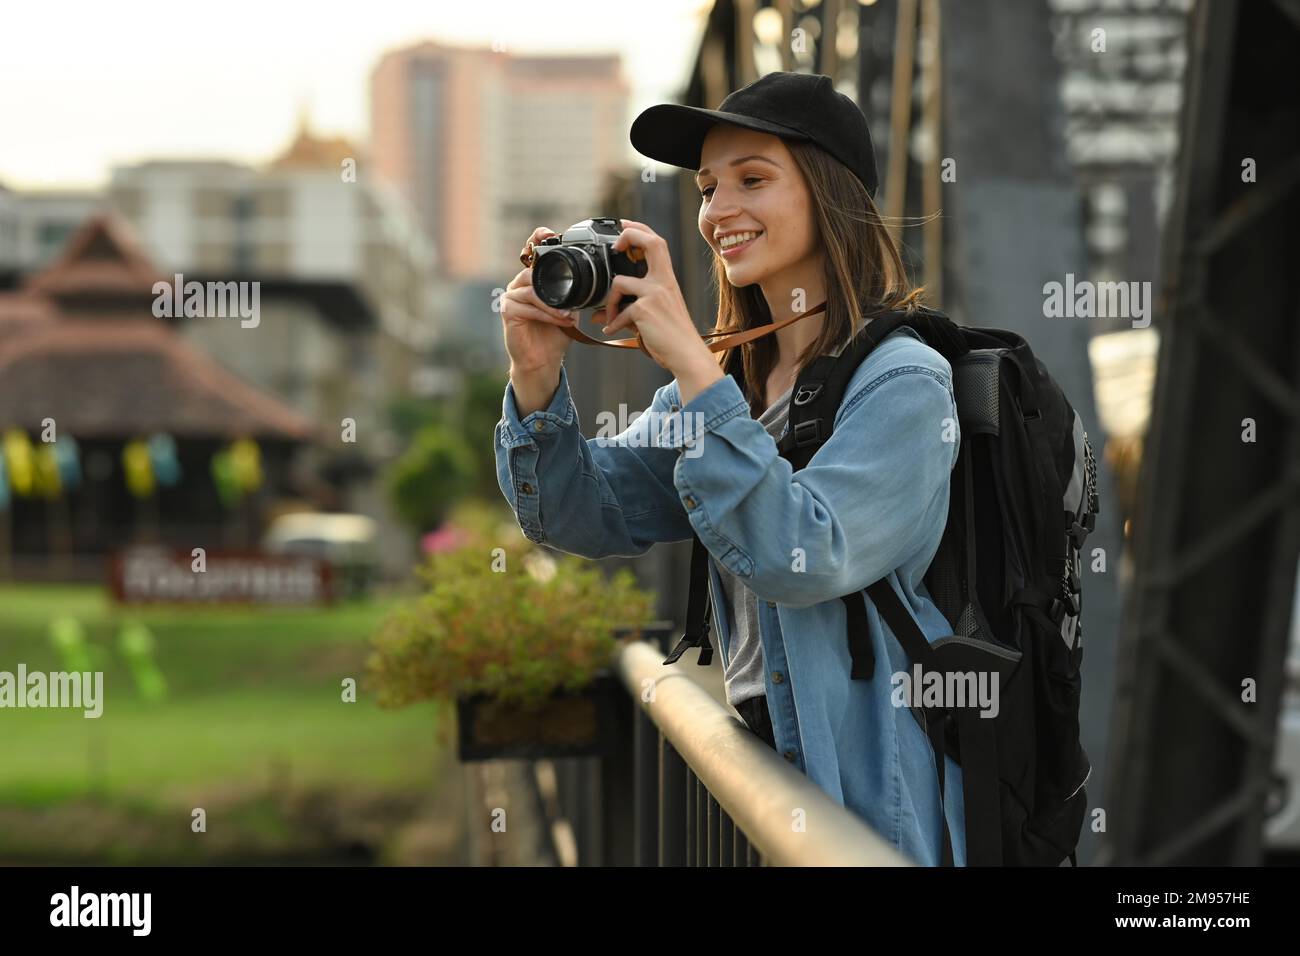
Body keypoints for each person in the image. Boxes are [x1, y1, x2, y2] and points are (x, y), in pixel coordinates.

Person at [494, 71, 966, 866]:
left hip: (868, 809)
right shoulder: (728, 386)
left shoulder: (905, 382)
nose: (718, 213)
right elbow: (584, 514)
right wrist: (536, 376)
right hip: (757, 799)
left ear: (829, 193)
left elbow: (803, 555)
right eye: (709, 188)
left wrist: (692, 366)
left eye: (754, 179)